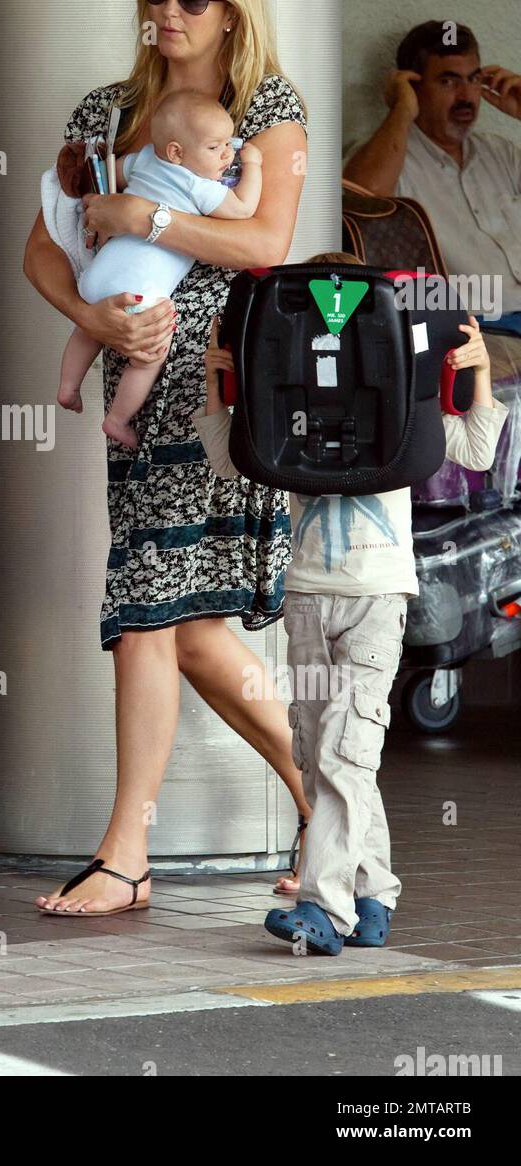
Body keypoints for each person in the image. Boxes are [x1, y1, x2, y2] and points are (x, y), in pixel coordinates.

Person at [23, 0, 311, 916]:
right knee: (170, 623)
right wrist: (87, 312)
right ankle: (325, 801)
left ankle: (125, 855)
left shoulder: (265, 107)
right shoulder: (104, 112)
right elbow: (42, 250)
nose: (166, 10)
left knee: (159, 614)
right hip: (137, 398)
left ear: (231, 10)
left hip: (223, 393)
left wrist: (145, 217)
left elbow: (266, 241)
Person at [193, 253, 509, 953]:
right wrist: (224, 381)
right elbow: (226, 458)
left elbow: (479, 449)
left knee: (344, 749)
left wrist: (475, 371)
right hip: (306, 597)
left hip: (375, 599)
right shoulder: (289, 410)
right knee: (323, 754)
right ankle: (375, 892)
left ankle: (323, 909)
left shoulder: (399, 411)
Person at [58, 88, 263, 449]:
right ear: (176, 153)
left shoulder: (145, 160)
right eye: (215, 148)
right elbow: (244, 210)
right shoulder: (200, 187)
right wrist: (256, 167)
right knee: (150, 356)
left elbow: (112, 172)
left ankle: (67, 387)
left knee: (88, 329)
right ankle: (118, 419)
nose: (227, 154)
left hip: (100, 274)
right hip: (140, 291)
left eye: (227, 144)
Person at [343, 21, 521, 336]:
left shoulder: (501, 152)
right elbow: (359, 199)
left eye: (474, 79)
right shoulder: (391, 159)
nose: (467, 96)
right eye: (448, 81)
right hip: (477, 330)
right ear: (414, 86)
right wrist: (401, 110)